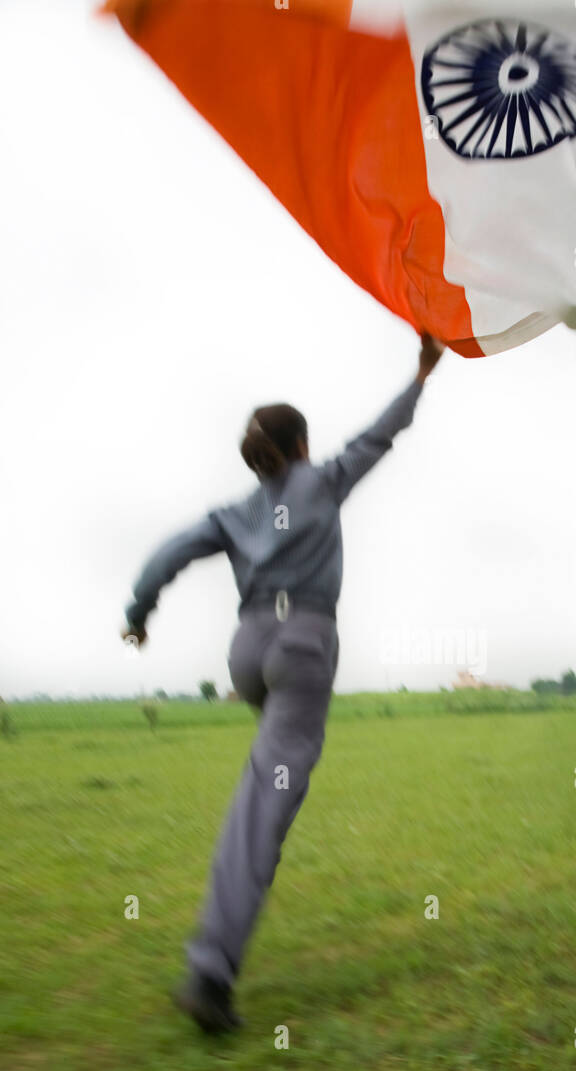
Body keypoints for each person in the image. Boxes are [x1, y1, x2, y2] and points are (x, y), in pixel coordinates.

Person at [122, 333, 445, 1033]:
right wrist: (422, 372)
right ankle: (211, 971)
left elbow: (167, 555)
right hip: (301, 645)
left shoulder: (236, 512)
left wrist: (137, 615)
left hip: (248, 653)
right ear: (301, 446)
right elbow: (385, 431)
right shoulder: (325, 479)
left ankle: (214, 956)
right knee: (262, 807)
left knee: (265, 772)